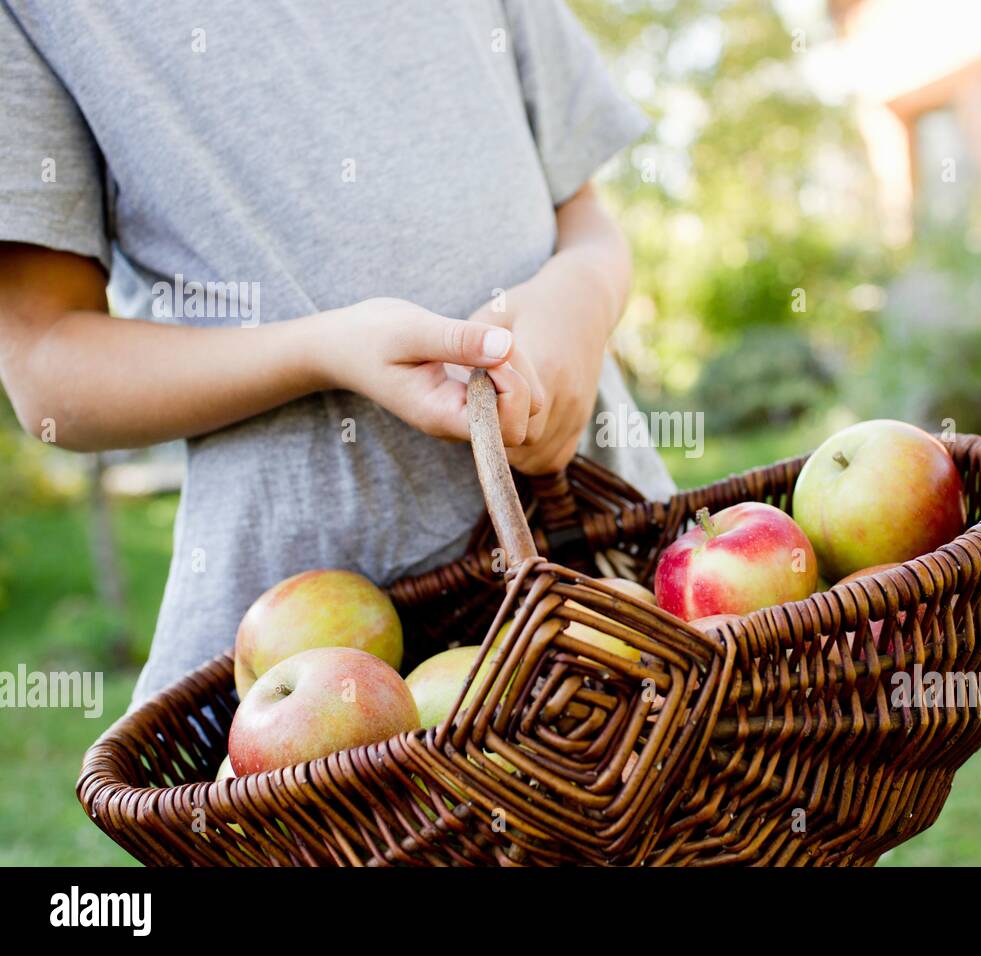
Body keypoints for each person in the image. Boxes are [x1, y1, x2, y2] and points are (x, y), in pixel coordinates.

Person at [0, 0, 673, 706]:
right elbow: (45, 359)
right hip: (311, 666)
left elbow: (586, 213)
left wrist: (581, 296)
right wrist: (321, 351)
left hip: (598, 548)